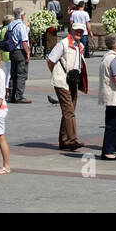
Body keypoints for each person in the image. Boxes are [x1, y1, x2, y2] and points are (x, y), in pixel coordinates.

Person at [45, 21, 87, 150]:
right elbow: (50, 60)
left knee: (69, 111)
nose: (79, 33)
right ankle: (72, 140)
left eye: (81, 31)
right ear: (71, 31)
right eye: (77, 31)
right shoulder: (63, 44)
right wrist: (57, 74)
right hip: (62, 81)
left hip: (73, 81)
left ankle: (64, 140)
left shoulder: (80, 46)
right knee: (69, 111)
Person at [5, 9, 31, 103]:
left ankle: (11, 95)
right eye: (24, 14)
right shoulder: (21, 26)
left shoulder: (10, 25)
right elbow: (24, 41)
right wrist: (28, 53)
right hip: (20, 52)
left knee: (13, 74)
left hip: (12, 52)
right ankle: (19, 96)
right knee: (21, 74)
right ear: (22, 16)